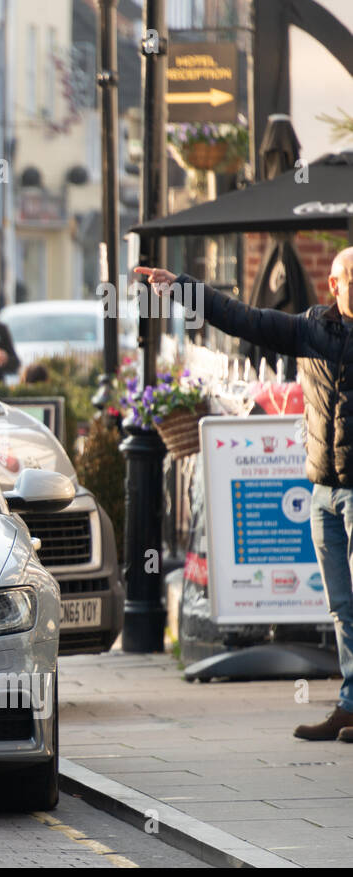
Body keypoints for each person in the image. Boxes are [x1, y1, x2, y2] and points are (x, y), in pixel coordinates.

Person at [138, 252, 353, 742]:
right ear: (335, 285)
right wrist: (184, 289)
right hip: (322, 489)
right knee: (341, 604)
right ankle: (350, 704)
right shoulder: (313, 329)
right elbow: (244, 319)